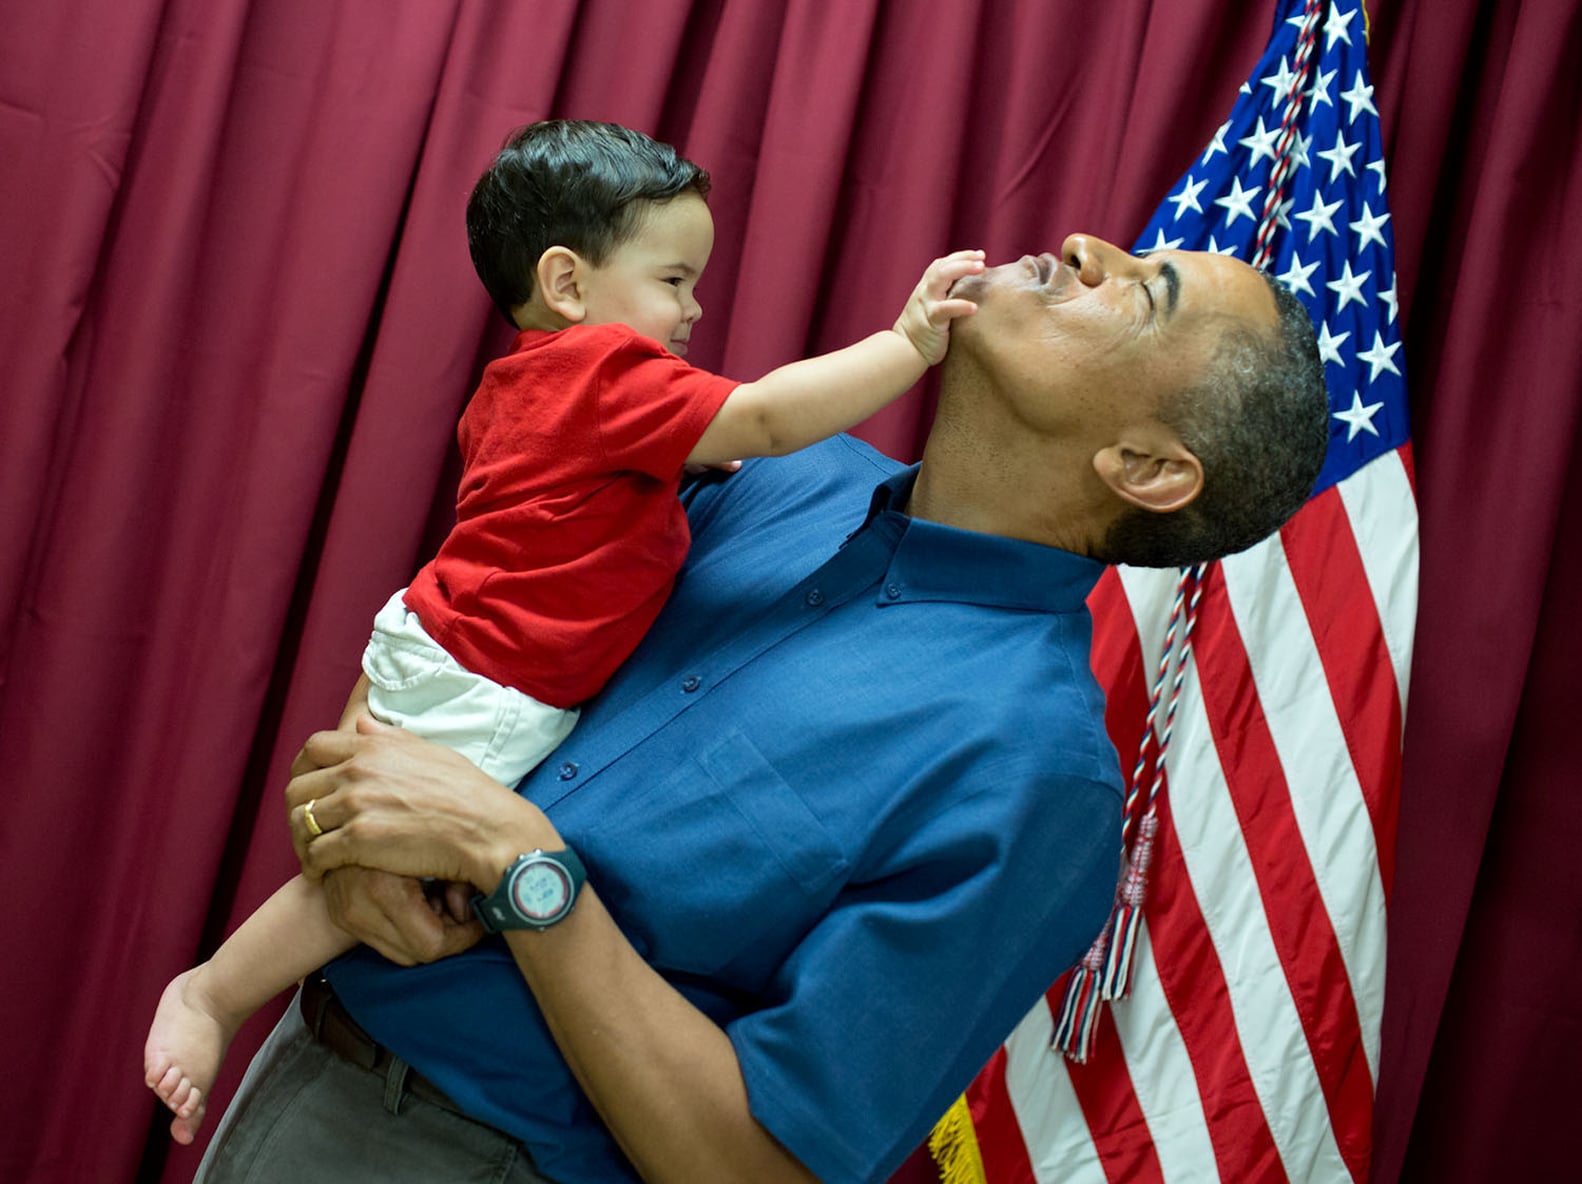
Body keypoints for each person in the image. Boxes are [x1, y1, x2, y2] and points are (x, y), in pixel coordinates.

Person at [195, 234, 1329, 1184]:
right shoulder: (762, 466)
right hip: (296, 1061)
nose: (1089, 246)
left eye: (1144, 288)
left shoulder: (1035, 775)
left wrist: (521, 864)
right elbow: (458, 633)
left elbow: (757, 1168)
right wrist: (354, 823)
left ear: (1145, 465)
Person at [142, 119, 985, 1146]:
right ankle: (214, 990)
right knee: (369, 877)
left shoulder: (534, 381)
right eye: (673, 280)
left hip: (450, 642)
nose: (694, 307)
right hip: (486, 675)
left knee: (382, 858)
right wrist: (905, 345)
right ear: (569, 283)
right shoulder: (598, 373)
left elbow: (573, 513)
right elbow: (763, 418)